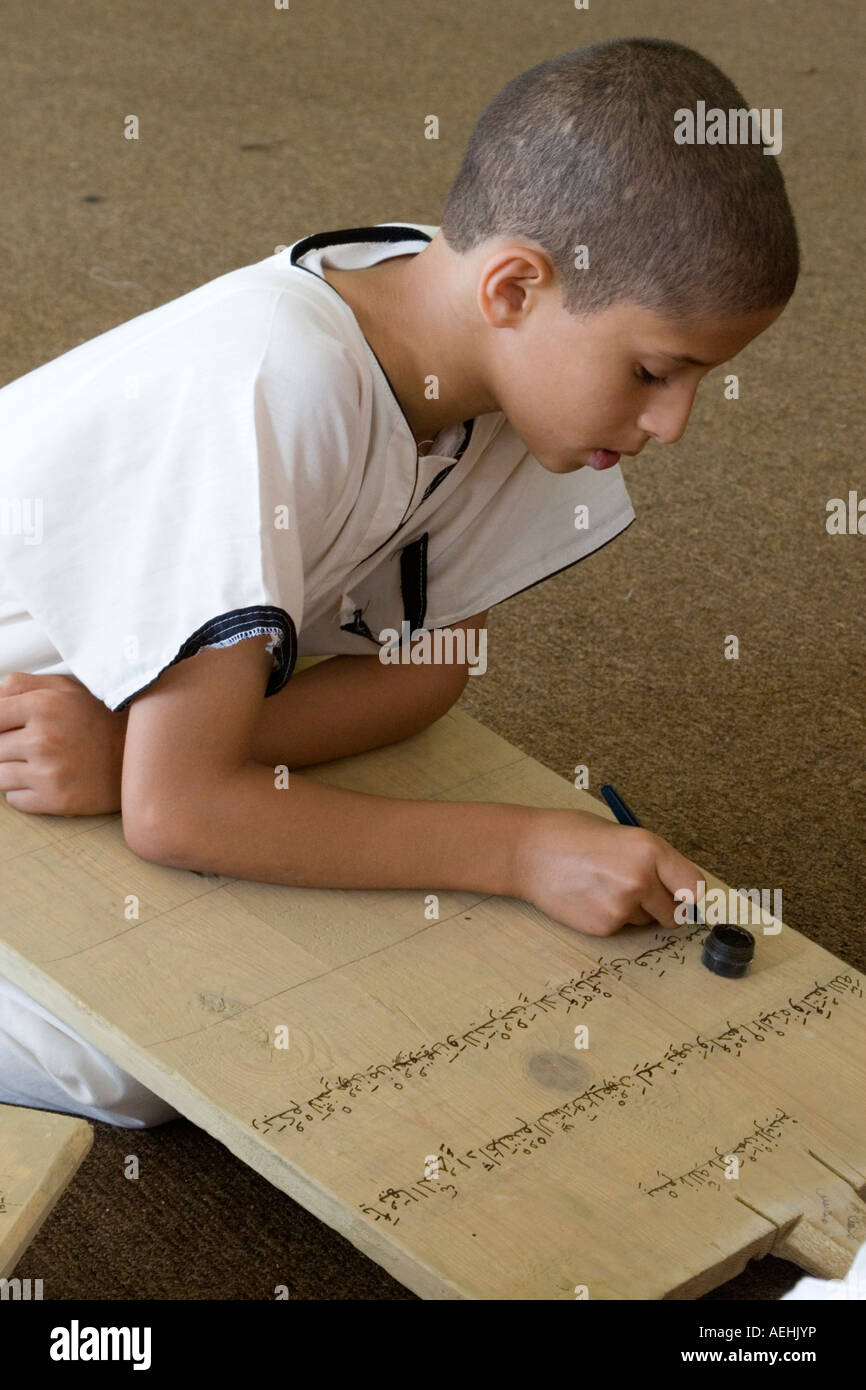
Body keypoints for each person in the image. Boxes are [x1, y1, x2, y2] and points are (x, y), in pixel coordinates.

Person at [0, 38, 797, 1132]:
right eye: (653, 371)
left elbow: (425, 671)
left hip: (72, 726)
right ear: (513, 285)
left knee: (324, 937)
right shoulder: (276, 382)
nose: (672, 423)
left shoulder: (492, 350)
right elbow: (176, 814)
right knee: (141, 1063)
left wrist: (136, 736)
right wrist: (519, 850)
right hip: (23, 723)